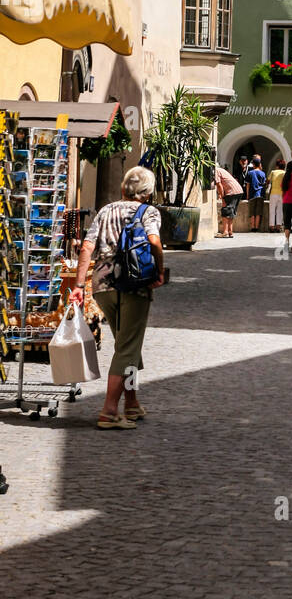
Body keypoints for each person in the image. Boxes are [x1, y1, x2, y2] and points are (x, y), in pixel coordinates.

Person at [68, 166, 165, 430]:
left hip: (103, 283)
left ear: (124, 188)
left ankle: (131, 403)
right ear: (147, 192)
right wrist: (159, 271)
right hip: (134, 283)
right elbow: (154, 242)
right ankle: (109, 411)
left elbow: (87, 247)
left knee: (127, 342)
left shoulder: (106, 210)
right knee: (127, 347)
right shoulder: (149, 211)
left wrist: (79, 284)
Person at [215, 163, 244, 238]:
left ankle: (225, 232)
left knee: (225, 210)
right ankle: (230, 231)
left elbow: (219, 185)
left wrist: (222, 197)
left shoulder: (216, 171)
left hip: (231, 191)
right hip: (239, 190)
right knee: (231, 211)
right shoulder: (222, 170)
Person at [246, 154, 267, 232]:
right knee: (258, 212)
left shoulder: (250, 173)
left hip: (252, 194)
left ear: (254, 164)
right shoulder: (263, 173)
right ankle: (257, 227)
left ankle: (252, 227)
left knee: (252, 212)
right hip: (260, 194)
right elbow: (264, 184)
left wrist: (247, 195)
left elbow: (248, 185)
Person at [266, 158, 286, 232]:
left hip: (273, 193)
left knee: (272, 210)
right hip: (282, 194)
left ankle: (271, 226)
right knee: (279, 211)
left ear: (277, 165)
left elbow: (267, 181)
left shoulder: (273, 172)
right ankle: (278, 227)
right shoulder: (284, 173)